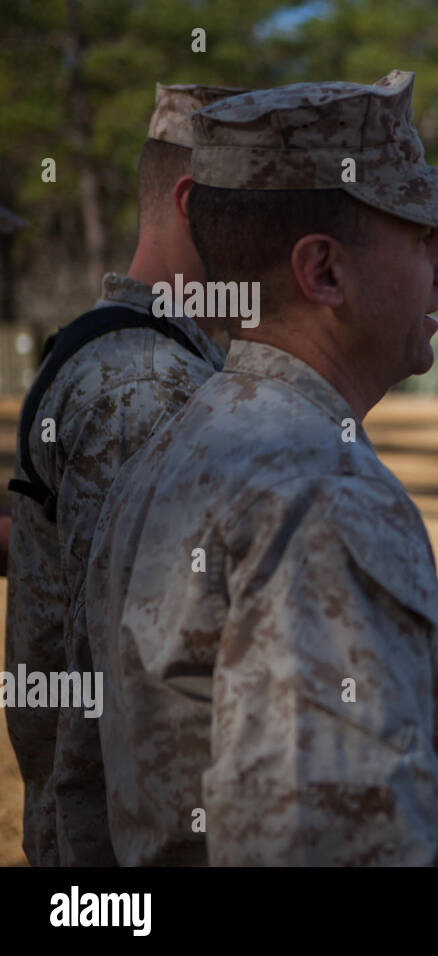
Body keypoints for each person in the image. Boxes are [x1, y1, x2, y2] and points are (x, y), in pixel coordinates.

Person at [79, 70, 438, 865]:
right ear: (324, 272)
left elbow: (84, 788)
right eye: (421, 237)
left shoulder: (176, 443)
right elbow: (333, 841)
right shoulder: (319, 492)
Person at [4, 82, 241, 866]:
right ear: (195, 201)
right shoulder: (148, 385)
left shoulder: (132, 355)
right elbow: (155, 697)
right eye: (272, 202)